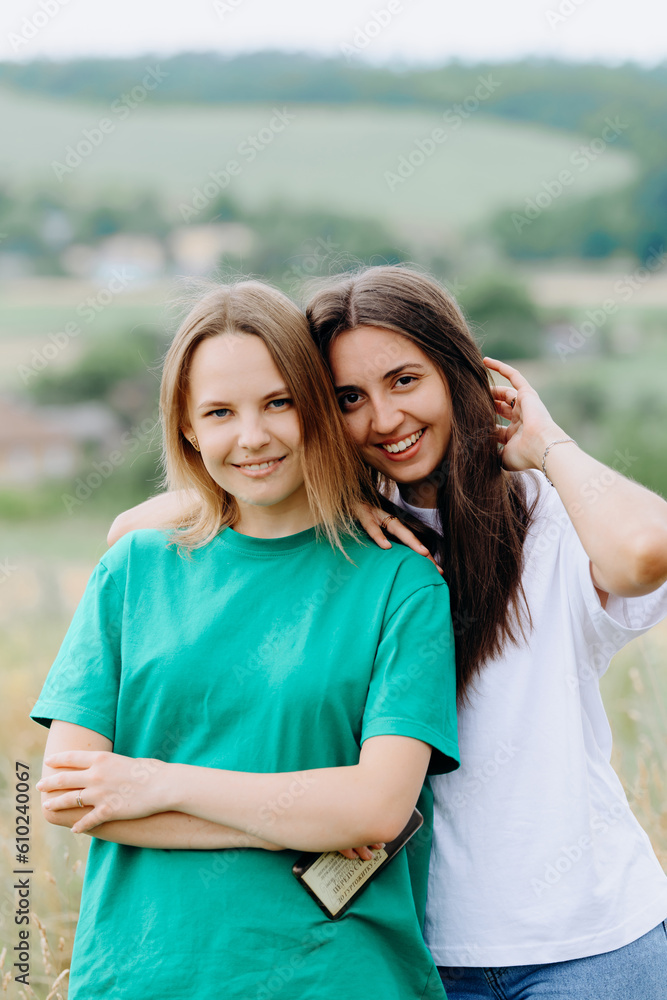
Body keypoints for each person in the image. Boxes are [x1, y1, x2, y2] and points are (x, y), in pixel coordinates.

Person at [109, 265, 667, 999]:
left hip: (588, 947)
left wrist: (546, 441)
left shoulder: (550, 520)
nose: (383, 418)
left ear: (460, 375)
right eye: (348, 399)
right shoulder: (341, 543)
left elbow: (643, 551)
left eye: (405, 381)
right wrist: (332, 496)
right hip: (409, 949)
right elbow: (129, 531)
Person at [32, 279, 460, 1000]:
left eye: (277, 403)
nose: (252, 436)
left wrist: (156, 784)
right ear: (188, 427)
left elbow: (376, 812)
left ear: (315, 406)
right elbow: (74, 798)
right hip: (142, 978)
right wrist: (299, 821)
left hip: (340, 978)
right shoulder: (134, 571)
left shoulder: (401, 586)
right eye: (220, 412)